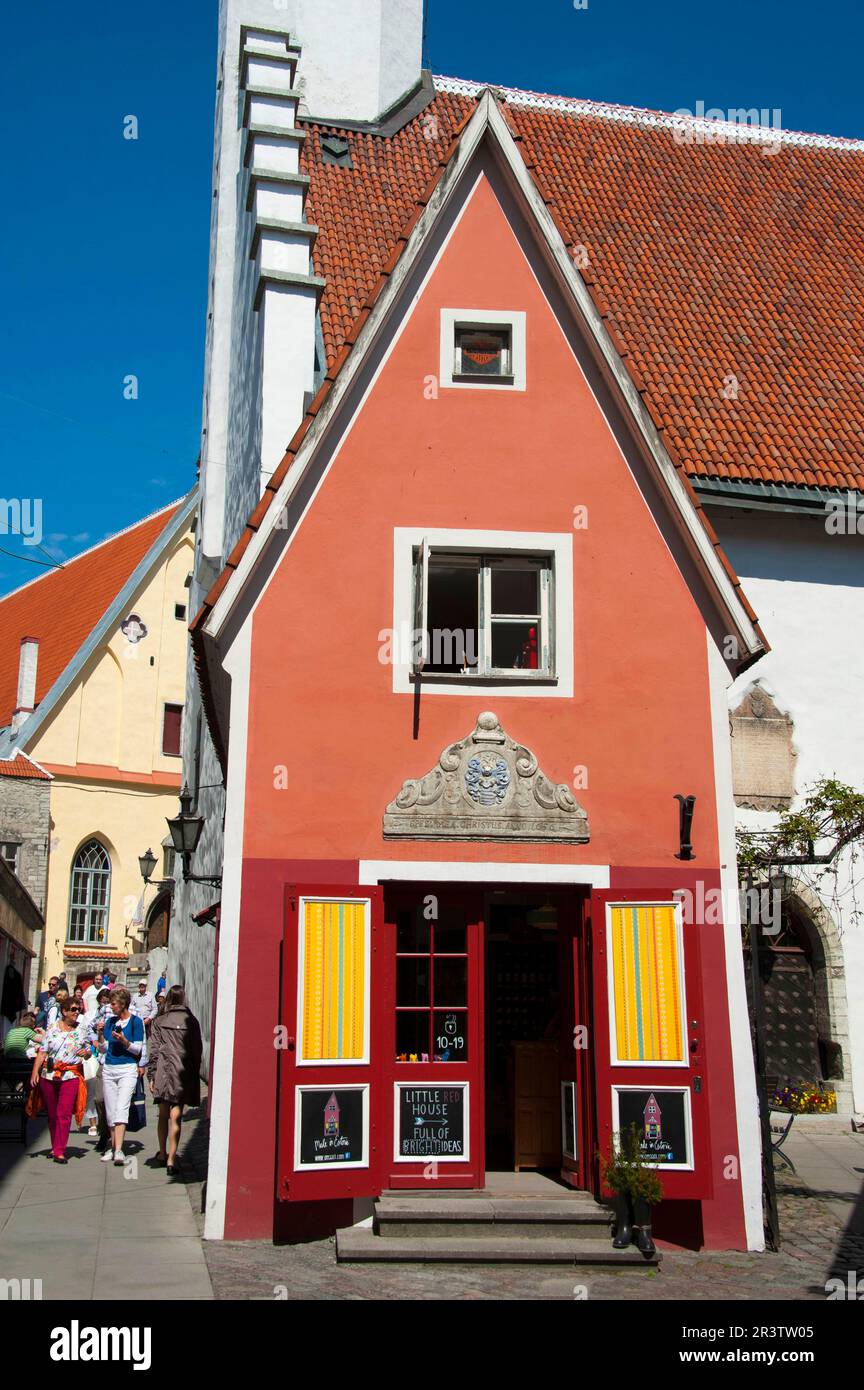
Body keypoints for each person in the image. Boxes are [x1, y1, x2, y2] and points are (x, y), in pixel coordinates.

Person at [147, 986, 202, 1175]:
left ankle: (162, 1153)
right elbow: (197, 1050)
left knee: (163, 1113)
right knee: (176, 1115)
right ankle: (172, 1157)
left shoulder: (160, 1021)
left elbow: (153, 1050)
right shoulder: (192, 1022)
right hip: (182, 1070)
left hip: (164, 1069)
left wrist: (151, 1074)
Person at [29, 999, 92, 1162]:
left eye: (78, 1009)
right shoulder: (52, 1029)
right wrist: (34, 1072)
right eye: (73, 1009)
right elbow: (42, 1052)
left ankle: (59, 1151)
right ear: (64, 1011)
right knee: (52, 1114)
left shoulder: (81, 1030)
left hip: (70, 1076)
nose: (76, 1012)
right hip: (49, 1075)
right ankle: (55, 1145)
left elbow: (88, 1051)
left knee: (63, 1114)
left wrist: (86, 1053)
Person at [99, 987, 147, 1165]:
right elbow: (103, 1048)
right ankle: (112, 1148)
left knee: (122, 1107)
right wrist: (99, 1034)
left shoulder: (135, 1022)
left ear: (123, 1004)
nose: (111, 1007)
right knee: (111, 1111)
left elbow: (138, 1048)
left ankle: (119, 1150)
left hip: (127, 1068)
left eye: (113, 1003)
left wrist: (124, 1042)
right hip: (109, 1068)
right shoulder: (110, 1022)